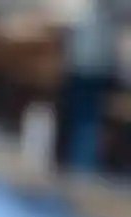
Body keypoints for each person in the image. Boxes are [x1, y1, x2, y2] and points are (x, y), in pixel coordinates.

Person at [54, 0, 128, 173]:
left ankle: (79, 171)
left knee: (84, 120)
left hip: (90, 59)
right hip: (89, 57)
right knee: (81, 118)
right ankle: (75, 169)